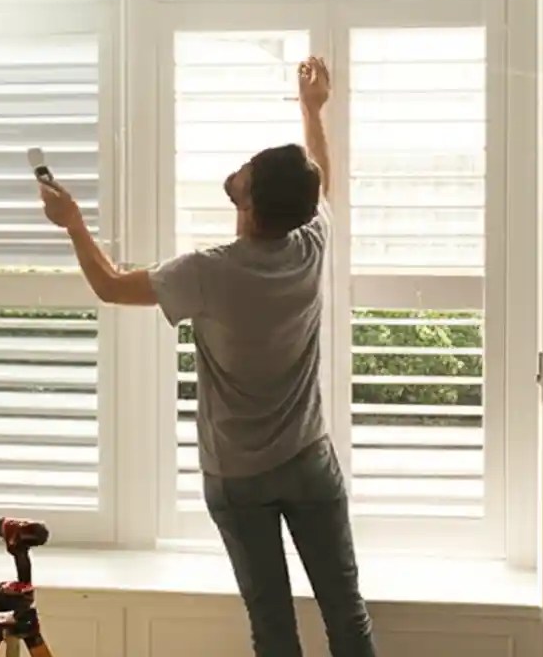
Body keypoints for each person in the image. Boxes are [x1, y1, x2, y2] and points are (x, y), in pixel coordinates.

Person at [38, 56, 376, 657]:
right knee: (347, 616)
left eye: (248, 171)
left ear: (251, 202)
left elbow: (110, 286)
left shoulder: (208, 273)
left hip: (239, 476)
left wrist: (72, 223)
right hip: (307, 458)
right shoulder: (310, 243)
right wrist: (312, 109)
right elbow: (322, 180)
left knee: (273, 627)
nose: (240, 169)